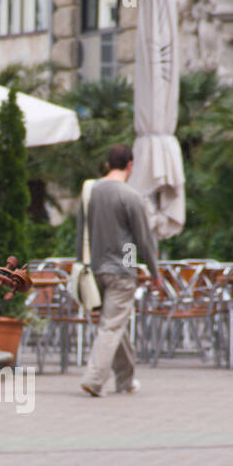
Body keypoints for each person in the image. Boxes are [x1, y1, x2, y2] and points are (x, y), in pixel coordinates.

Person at [76, 143, 162, 397]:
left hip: (94, 268)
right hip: (122, 270)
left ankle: (126, 380)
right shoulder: (131, 196)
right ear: (130, 165)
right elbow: (141, 240)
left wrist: (81, 265)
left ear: (107, 163)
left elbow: (81, 233)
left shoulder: (89, 191)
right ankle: (93, 379)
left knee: (113, 324)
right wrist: (154, 273)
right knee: (112, 327)